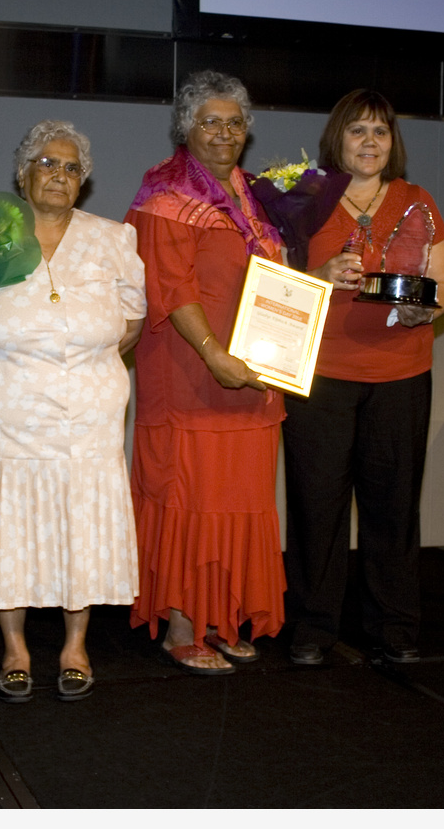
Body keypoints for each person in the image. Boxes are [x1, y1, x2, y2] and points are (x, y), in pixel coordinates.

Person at [0, 120, 146, 701]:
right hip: (3, 412)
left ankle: (74, 646)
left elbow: (132, 322)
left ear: (83, 181)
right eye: (47, 163)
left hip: (86, 417)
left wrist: (77, 364)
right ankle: (14, 648)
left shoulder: (115, 238)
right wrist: (19, 362)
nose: (58, 175)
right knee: (9, 525)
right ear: (22, 173)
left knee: (81, 525)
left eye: (70, 167)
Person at [283, 89, 444, 666]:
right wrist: (321, 274)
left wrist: (425, 307)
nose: (370, 142)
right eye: (358, 131)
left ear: (392, 143)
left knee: (394, 504)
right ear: (338, 138)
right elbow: (272, 287)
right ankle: (312, 626)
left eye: (380, 132)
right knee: (317, 503)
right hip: (322, 373)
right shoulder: (303, 197)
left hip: (401, 371)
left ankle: (395, 626)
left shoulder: (417, 200)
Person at [127, 70, 286, 674]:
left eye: (235, 122)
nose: (224, 132)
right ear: (185, 129)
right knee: (190, 497)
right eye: (210, 121)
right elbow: (170, 284)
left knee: (239, 498)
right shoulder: (164, 193)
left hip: (253, 376)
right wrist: (215, 353)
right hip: (191, 373)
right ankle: (182, 626)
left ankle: (223, 618)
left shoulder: (253, 195)